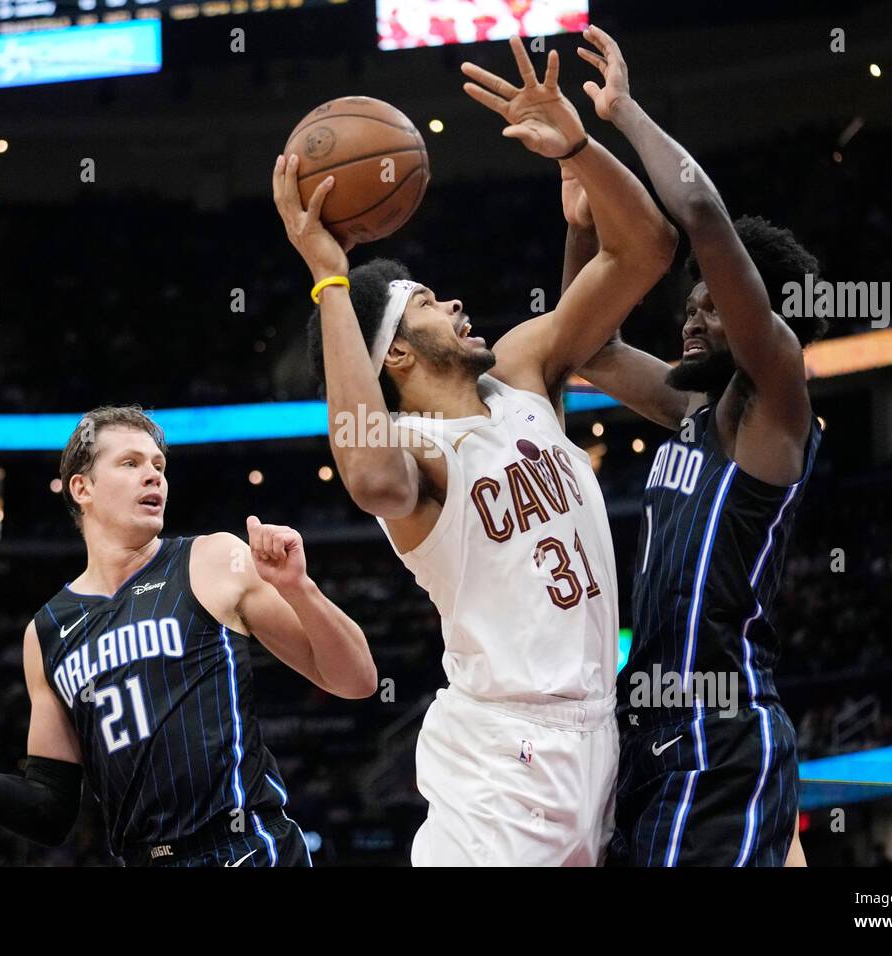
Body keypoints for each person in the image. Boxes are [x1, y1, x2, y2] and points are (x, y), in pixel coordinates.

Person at [273, 37, 676, 865]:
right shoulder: (416, 453)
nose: (454, 301)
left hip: (601, 735)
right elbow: (365, 469)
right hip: (501, 756)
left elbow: (646, 251)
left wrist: (579, 148)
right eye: (425, 301)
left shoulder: (524, 373)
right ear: (395, 354)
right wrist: (330, 278)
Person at [568, 27, 827, 866]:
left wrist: (621, 116)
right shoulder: (686, 406)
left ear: (761, 314)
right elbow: (586, 348)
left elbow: (705, 216)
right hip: (646, 738)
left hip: (721, 736)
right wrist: (581, 215)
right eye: (690, 303)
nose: (691, 315)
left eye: (712, 304)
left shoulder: (773, 409)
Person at [0, 404, 376, 867]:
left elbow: (357, 680)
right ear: (82, 487)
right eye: (130, 463)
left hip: (248, 847)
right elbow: (50, 811)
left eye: (158, 466)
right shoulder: (46, 632)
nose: (153, 476)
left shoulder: (213, 559)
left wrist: (300, 589)